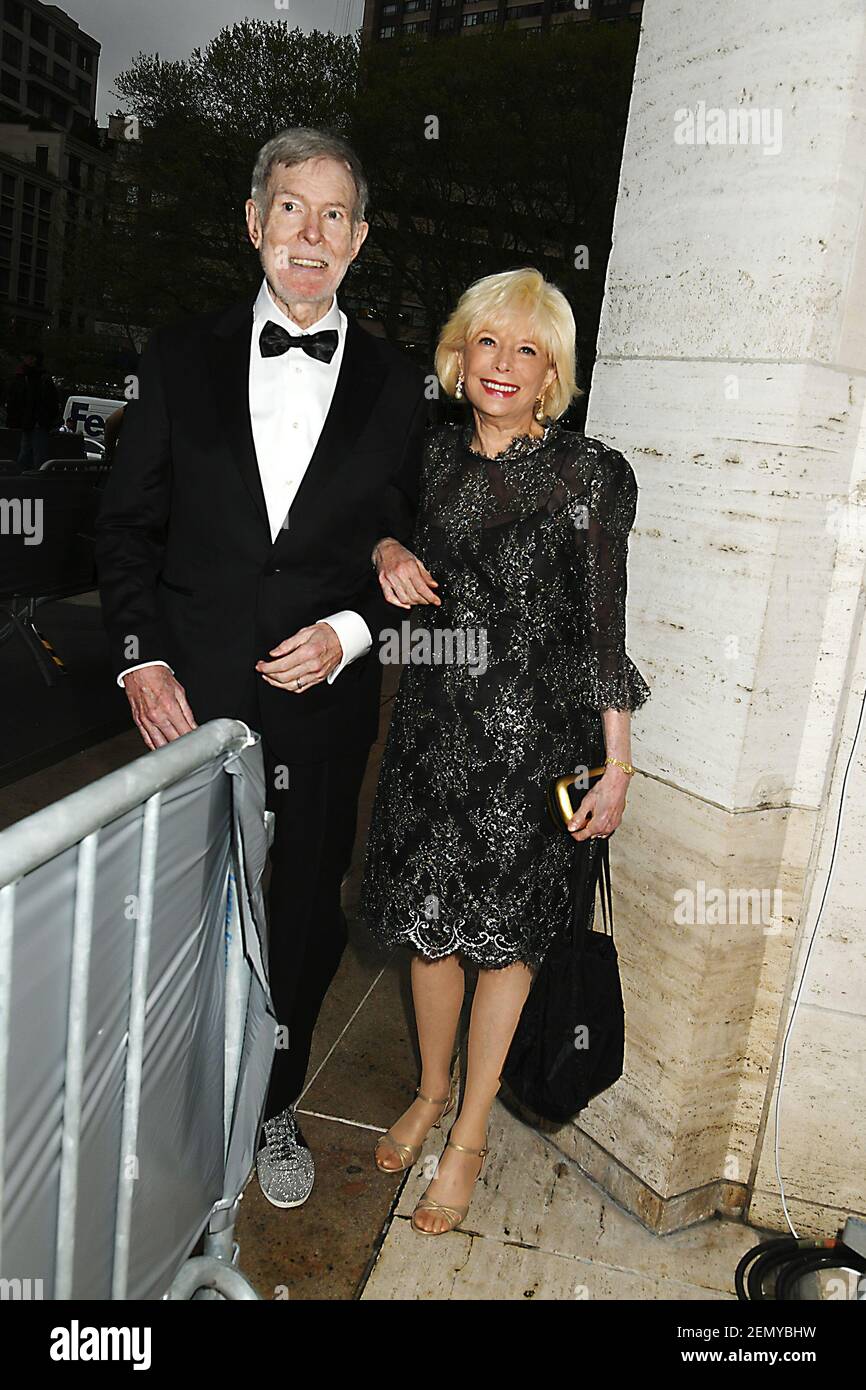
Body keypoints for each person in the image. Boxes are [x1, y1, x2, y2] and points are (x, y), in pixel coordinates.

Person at [95, 128, 428, 1210]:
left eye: (335, 215)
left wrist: (351, 631)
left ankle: (273, 1097)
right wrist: (140, 663)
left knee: (303, 910)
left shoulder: (392, 381)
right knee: (178, 901)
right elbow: (127, 531)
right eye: (292, 208)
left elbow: (415, 542)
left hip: (322, 702)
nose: (311, 234)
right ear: (253, 223)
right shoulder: (175, 355)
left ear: (359, 239)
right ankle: (163, 1096)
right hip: (185, 700)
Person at [359, 268, 651, 1235]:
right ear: (460, 351)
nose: (505, 365)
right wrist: (387, 554)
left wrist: (616, 762)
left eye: (529, 350)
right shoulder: (434, 458)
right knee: (431, 927)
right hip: (433, 733)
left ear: (553, 374)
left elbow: (607, 631)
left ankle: (472, 1128)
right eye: (490, 341)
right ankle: (432, 1087)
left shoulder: (588, 476)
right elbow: (379, 527)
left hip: (534, 753)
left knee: (504, 944)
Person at [5, 349, 60, 470]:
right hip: (35, 421)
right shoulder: (40, 378)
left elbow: (15, 398)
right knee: (35, 453)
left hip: (32, 421)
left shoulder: (24, 377)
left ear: (33, 359)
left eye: (27, 356)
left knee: (29, 453)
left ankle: (25, 477)